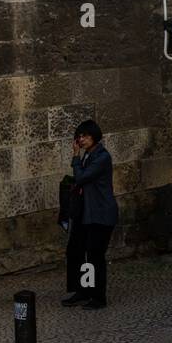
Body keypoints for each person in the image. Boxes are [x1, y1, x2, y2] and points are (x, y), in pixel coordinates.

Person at [62, 120, 119, 309]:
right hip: (87, 214)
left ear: (94, 136)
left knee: (95, 256)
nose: (81, 139)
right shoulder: (88, 156)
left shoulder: (102, 157)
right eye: (79, 136)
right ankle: (84, 290)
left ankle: (98, 297)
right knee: (78, 251)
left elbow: (82, 177)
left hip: (101, 215)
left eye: (85, 136)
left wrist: (75, 158)